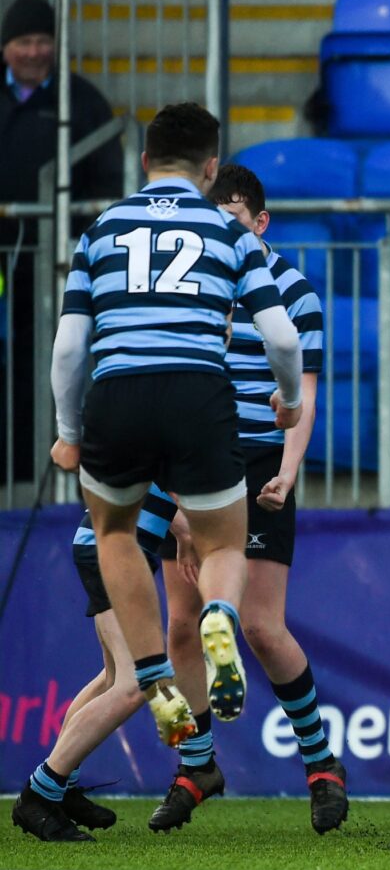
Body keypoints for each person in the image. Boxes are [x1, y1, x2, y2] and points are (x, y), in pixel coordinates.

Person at [49, 102, 303, 750]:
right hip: (198, 394)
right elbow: (279, 333)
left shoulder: (101, 227)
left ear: (144, 161)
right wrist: (291, 399)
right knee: (222, 545)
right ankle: (219, 613)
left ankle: (157, 676)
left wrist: (68, 428)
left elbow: (71, 346)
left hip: (118, 395)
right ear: (211, 166)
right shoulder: (229, 231)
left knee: (116, 534)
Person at [147, 163, 346, 835]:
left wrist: (289, 471)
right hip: (197, 456)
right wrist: (173, 496)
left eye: (236, 218)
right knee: (181, 626)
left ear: (260, 222)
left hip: (262, 460)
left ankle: (321, 764)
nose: (224, 230)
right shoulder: (200, 289)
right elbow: (181, 388)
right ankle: (196, 766)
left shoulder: (294, 293)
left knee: (259, 625)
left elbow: (305, 393)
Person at [10, 486, 186, 841]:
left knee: (113, 678)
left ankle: (63, 786)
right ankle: (40, 793)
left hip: (109, 543)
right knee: (135, 682)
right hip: (116, 550)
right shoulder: (189, 432)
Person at [0, 0, 123, 482]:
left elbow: (107, 182)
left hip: (55, 265)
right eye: (24, 42)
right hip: (3, 263)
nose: (35, 52)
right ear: (6, 47)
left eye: (43, 41)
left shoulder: (82, 101)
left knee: (51, 359)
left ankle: (44, 468)